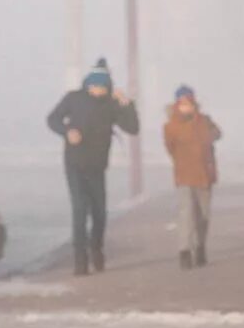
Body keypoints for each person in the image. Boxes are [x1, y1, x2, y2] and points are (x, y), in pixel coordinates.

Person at [47, 58, 140, 276]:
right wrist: (66, 131)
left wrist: (127, 104)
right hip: (75, 164)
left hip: (97, 166)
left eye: (101, 86)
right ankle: (80, 260)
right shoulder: (74, 98)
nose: (97, 90)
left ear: (107, 86)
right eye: (94, 85)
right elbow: (52, 119)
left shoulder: (111, 104)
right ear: (88, 83)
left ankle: (96, 248)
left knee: (99, 214)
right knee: (80, 211)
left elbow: (133, 128)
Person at [163, 85, 221, 269]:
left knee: (203, 215)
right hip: (184, 174)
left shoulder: (204, 121)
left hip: (205, 173)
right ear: (177, 105)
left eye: (189, 104)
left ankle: (200, 246)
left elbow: (217, 133)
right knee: (186, 213)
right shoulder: (170, 126)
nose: (186, 107)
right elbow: (170, 148)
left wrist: (210, 137)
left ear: (194, 104)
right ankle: (184, 251)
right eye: (182, 104)